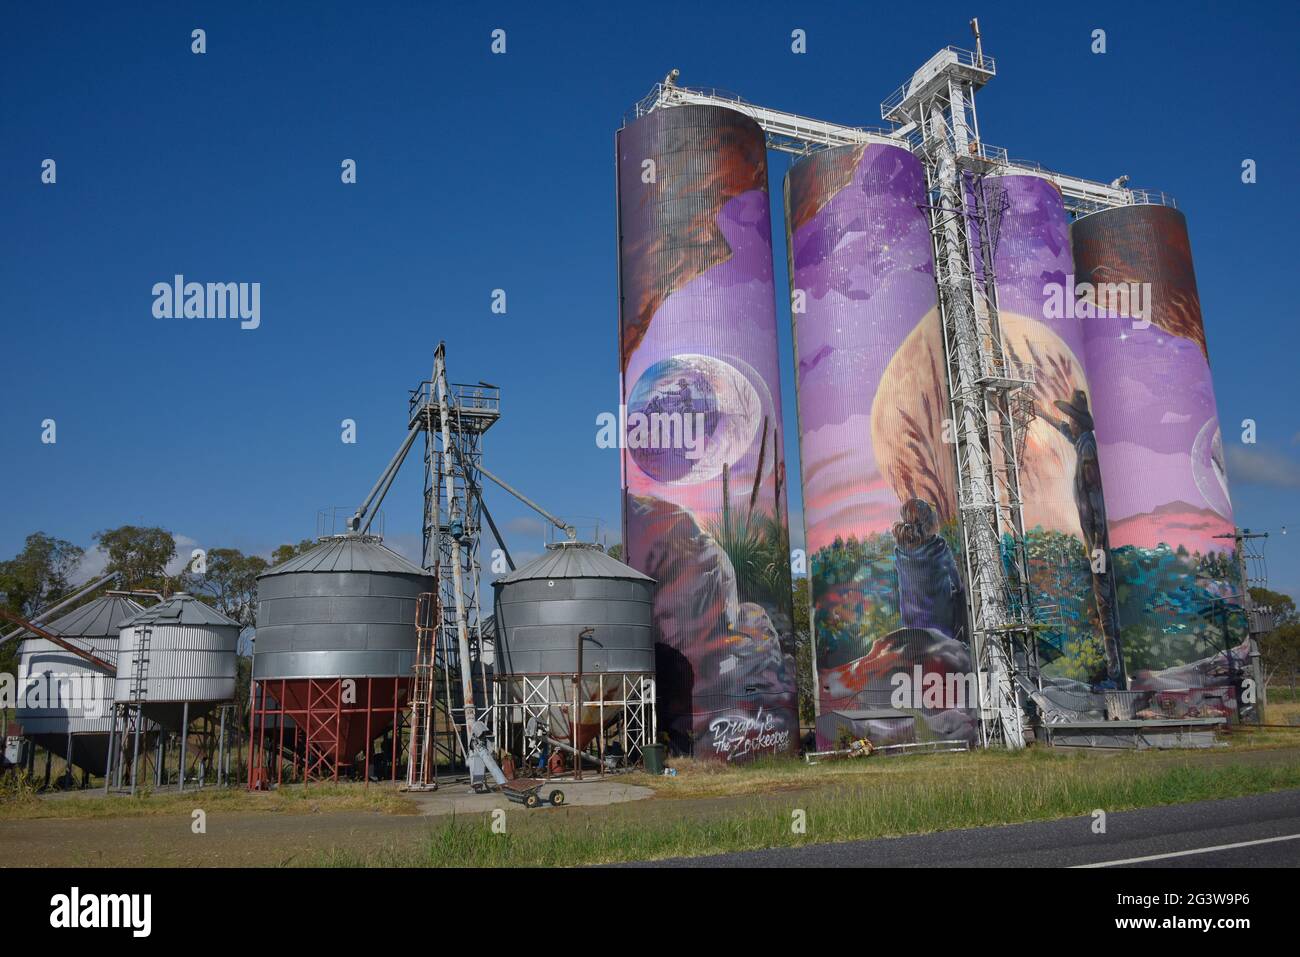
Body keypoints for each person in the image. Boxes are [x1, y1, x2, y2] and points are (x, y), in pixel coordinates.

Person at [1044, 388, 1125, 687]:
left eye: (1071, 419)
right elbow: (1066, 432)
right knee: (1100, 596)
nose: (1069, 423)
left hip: (1096, 537)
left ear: (1080, 421)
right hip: (1093, 537)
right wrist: (1042, 416)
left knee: (1103, 597)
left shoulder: (1088, 452)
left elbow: (1096, 498)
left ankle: (1114, 666)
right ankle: (1111, 663)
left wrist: (1100, 543)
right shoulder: (1083, 443)